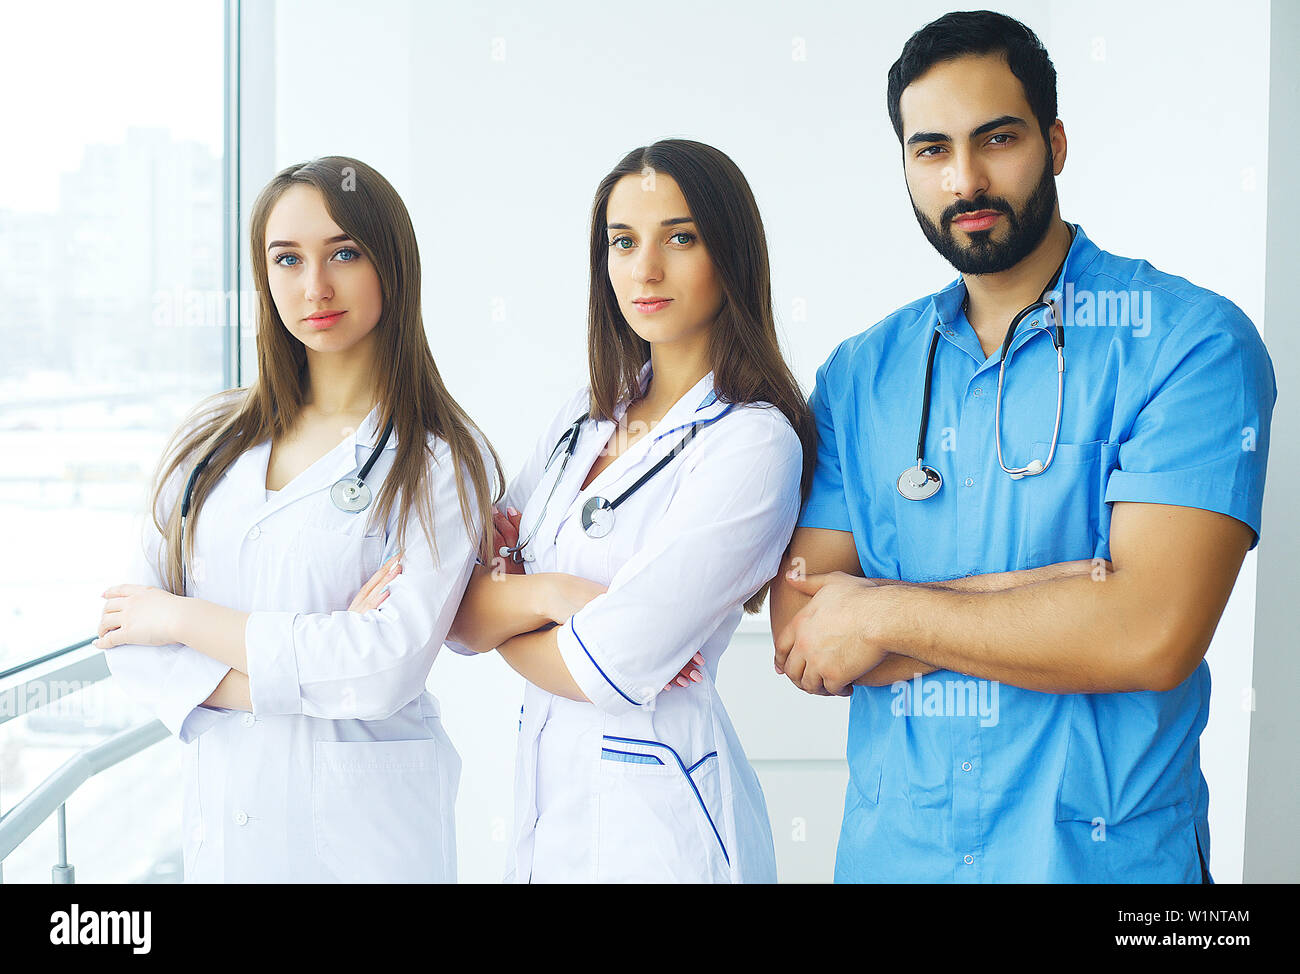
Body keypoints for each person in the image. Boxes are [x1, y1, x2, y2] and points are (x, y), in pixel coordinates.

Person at [769, 10, 1275, 883]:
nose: (965, 179)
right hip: (898, 862)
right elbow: (805, 636)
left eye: (996, 138)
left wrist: (881, 610)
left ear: (1056, 141)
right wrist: (1060, 593)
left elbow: (1150, 633)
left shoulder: (1189, 343)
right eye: (930, 150)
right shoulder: (859, 377)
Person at [364, 139, 813, 883]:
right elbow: (452, 615)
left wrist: (504, 600)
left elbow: (605, 665)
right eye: (623, 242)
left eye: (680, 237)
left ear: (729, 252)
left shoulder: (753, 444)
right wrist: (548, 597)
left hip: (663, 830)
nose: (646, 268)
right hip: (551, 803)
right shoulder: (587, 416)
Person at [94, 156, 502, 883]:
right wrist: (315, 665)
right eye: (288, 259)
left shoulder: (437, 460)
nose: (315, 287)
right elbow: (128, 630)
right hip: (226, 835)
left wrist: (184, 619)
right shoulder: (211, 439)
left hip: (368, 849)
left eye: (344, 253)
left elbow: (383, 671)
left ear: (392, 267)